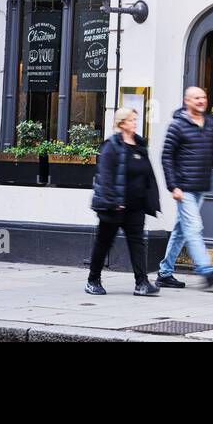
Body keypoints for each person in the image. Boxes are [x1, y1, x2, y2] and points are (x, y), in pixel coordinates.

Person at [155, 86, 213, 290]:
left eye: (204, 97)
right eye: (196, 97)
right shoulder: (177, 126)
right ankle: (206, 270)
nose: (201, 100)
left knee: (181, 230)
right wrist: (173, 186)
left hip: (200, 186)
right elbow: (166, 157)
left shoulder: (209, 125)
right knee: (194, 228)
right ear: (187, 101)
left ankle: (165, 272)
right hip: (184, 188)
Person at [86, 107, 161, 296]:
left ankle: (141, 283)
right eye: (131, 120)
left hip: (136, 206)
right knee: (104, 242)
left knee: (137, 243)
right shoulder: (111, 146)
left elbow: (148, 174)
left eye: (136, 119)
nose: (135, 123)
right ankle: (93, 280)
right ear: (121, 124)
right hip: (115, 207)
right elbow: (105, 177)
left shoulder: (139, 145)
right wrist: (113, 201)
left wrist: (150, 198)